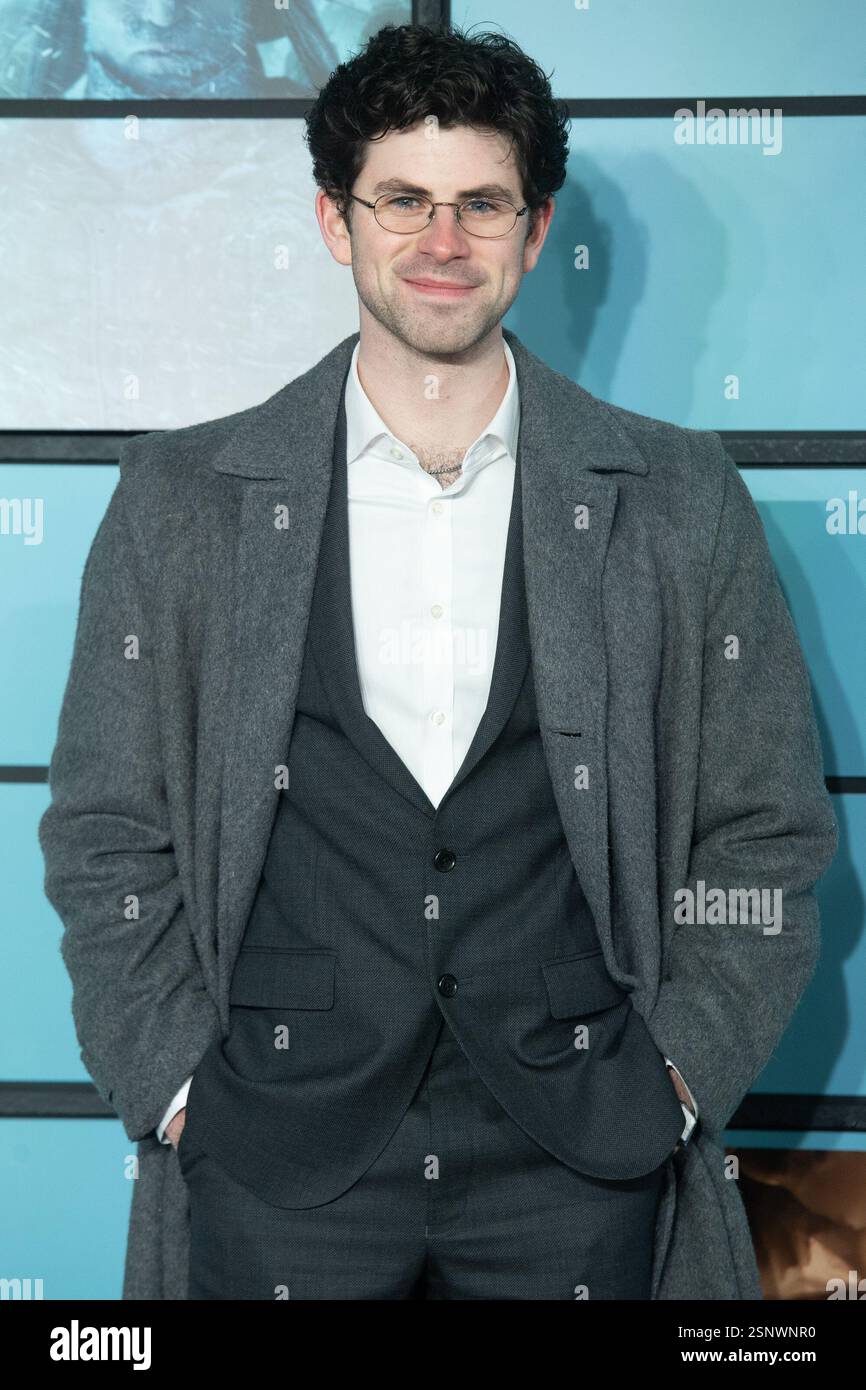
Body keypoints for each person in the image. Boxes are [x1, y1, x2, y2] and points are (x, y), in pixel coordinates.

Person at [39, 23, 837, 1300]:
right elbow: (103, 828)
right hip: (274, 1154)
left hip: (579, 1161)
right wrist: (181, 1086)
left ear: (533, 231)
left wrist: (674, 1080)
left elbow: (764, 835)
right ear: (332, 220)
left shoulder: (679, 499)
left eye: (480, 202)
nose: (441, 240)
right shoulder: (180, 499)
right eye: (401, 200)